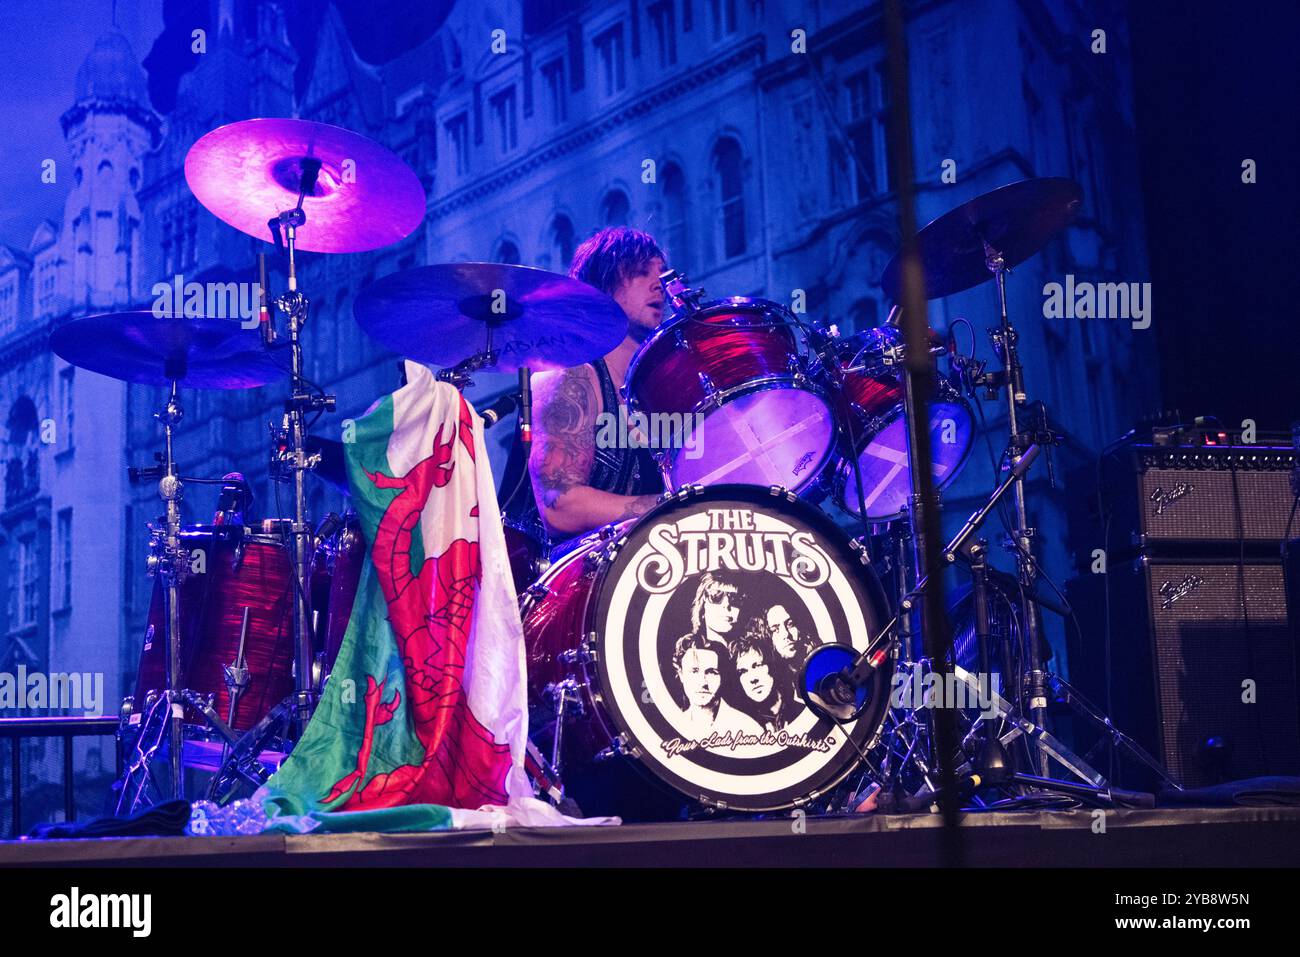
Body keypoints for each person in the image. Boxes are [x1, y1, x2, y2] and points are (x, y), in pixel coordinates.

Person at [522, 227, 670, 548]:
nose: (659, 284)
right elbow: (560, 504)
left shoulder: (660, 387)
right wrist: (673, 506)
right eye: (641, 272)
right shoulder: (571, 375)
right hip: (580, 581)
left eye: (661, 272)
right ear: (603, 288)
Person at [671, 634, 763, 741]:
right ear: (681, 674)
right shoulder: (674, 725)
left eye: (711, 672)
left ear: (722, 676)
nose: (703, 682)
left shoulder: (749, 729)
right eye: (694, 671)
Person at [729, 629, 803, 732]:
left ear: (772, 667)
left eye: (757, 666)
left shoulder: (801, 712)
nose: (752, 679)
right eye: (743, 671)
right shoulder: (742, 725)